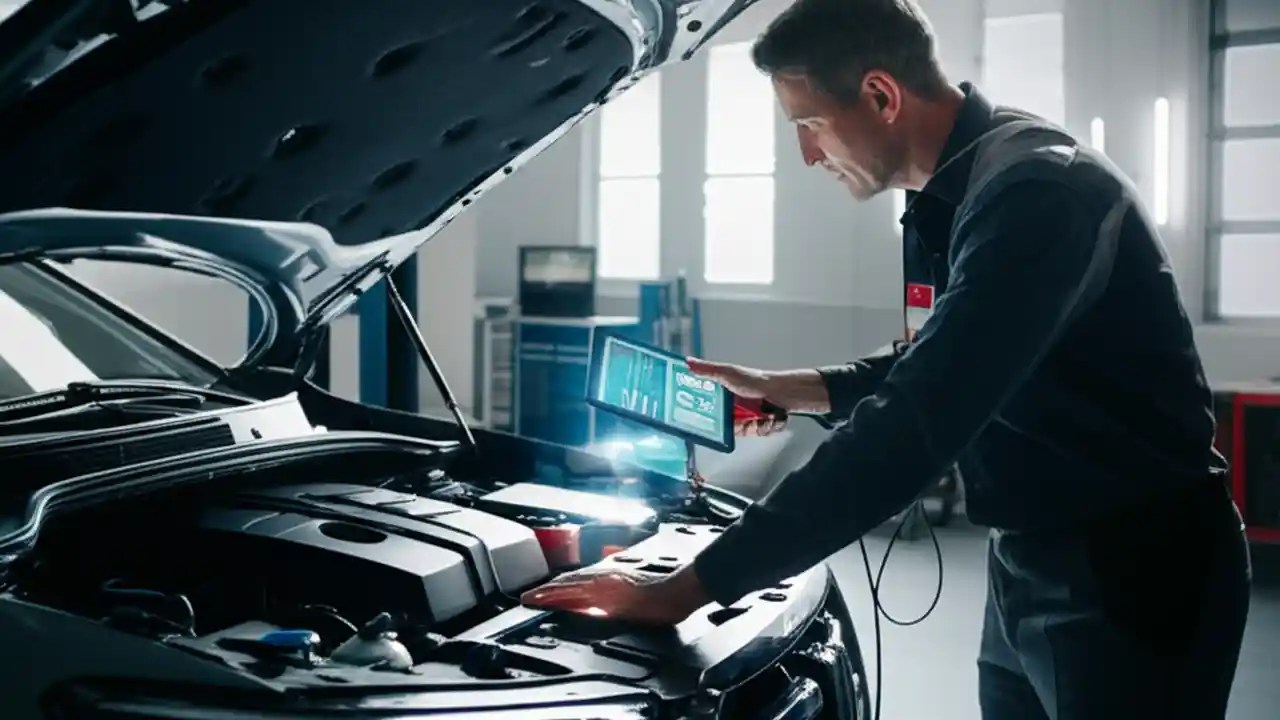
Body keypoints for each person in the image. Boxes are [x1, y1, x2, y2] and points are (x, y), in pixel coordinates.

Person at [521, 0, 1252, 717]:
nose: (807, 154)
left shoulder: (1039, 195)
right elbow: (938, 355)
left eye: (809, 125)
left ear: (880, 95)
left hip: (1134, 573)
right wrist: (792, 389)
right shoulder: (950, 195)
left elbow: (917, 421)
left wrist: (689, 587)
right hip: (1029, 555)